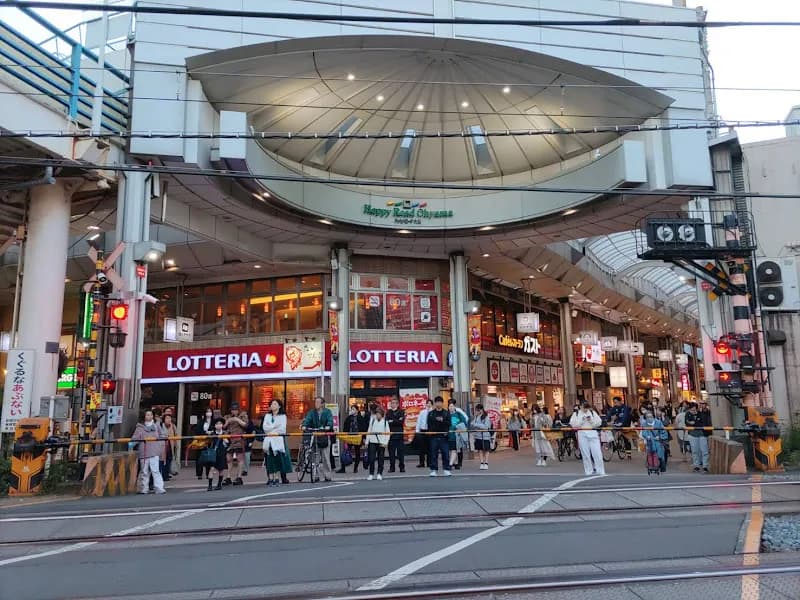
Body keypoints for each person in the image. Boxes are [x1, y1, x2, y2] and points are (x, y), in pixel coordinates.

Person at [132, 410, 166, 494]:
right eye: (147, 415)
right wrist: (131, 445)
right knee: (144, 471)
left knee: (156, 471)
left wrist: (160, 446)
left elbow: (162, 436)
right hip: (144, 452)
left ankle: (159, 488)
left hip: (154, 451)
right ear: (144, 416)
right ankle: (144, 488)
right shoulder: (139, 428)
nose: (149, 416)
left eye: (150, 415)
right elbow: (135, 439)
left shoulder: (157, 426)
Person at [301, 397, 334, 482]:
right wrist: (304, 425)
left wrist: (328, 426)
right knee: (315, 457)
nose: (316, 404)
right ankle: (315, 475)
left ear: (322, 404)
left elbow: (330, 420)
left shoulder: (327, 412)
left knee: (326, 457)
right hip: (315, 435)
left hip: (324, 435)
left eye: (318, 402)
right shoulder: (312, 412)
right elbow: (307, 419)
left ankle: (327, 475)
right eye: (315, 402)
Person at [570, 403, 605, 476]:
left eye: (587, 407)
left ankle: (600, 470)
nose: (585, 409)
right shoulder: (576, 414)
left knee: (597, 453)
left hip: (593, 434)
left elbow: (599, 423)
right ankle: (589, 471)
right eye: (584, 407)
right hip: (582, 434)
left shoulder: (592, 412)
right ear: (580, 407)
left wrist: (591, 420)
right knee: (585, 454)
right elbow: (573, 424)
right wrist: (582, 420)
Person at [262, 400, 291, 485]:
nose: (272, 405)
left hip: (278, 440)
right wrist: (274, 427)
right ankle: (270, 477)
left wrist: (271, 429)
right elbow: (265, 428)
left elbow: (282, 429)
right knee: (269, 458)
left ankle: (280, 477)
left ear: (279, 406)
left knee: (279, 458)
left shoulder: (283, 416)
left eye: (275, 404)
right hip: (269, 439)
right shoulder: (267, 416)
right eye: (271, 404)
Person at [338, 404, 368, 474]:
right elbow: (345, 427)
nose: (352, 410)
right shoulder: (349, 418)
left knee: (357, 452)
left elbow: (364, 428)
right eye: (351, 409)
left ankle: (355, 468)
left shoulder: (360, 418)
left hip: (358, 437)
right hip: (349, 437)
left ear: (357, 410)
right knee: (345, 452)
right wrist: (345, 436)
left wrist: (364, 438)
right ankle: (343, 468)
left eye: (353, 409)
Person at [224, 403, 248, 486]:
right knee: (228, 458)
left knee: (239, 458)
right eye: (233, 410)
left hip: (239, 439)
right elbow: (223, 426)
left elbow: (246, 425)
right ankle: (228, 477)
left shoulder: (243, 416)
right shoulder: (227, 417)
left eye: (236, 409)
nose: (234, 411)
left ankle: (239, 477)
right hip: (229, 439)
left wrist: (237, 419)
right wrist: (228, 421)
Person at [427, 396, 451, 477]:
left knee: (445, 453)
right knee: (433, 453)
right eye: (437, 402)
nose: (438, 404)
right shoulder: (431, 414)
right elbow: (429, 424)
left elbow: (449, 423)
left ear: (442, 403)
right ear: (435, 403)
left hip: (444, 436)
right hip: (434, 436)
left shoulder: (446, 413)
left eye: (440, 402)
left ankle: (446, 469)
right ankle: (434, 470)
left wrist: (442, 420)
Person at [365, 406, 390, 480]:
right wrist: (367, 442)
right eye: (377, 414)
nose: (377, 415)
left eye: (379, 414)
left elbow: (387, 433)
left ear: (382, 414)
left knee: (381, 459)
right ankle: (371, 474)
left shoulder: (385, 422)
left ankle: (379, 473)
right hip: (372, 441)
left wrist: (385, 443)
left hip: (381, 442)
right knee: (371, 459)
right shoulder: (372, 420)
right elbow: (369, 431)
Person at [685, 402, 710, 472]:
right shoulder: (687, 414)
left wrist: (693, 422)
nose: (693, 411)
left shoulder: (701, 414)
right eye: (691, 410)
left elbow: (702, 423)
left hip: (702, 434)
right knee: (695, 451)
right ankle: (696, 466)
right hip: (692, 434)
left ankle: (705, 466)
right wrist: (693, 422)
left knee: (704, 450)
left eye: (694, 410)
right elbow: (687, 423)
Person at [205, 417, 229, 491]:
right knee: (211, 469)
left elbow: (228, 443)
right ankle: (210, 485)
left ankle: (219, 485)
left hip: (221, 453)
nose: (219, 425)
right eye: (217, 424)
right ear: (214, 425)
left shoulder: (225, 433)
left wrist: (226, 440)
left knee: (221, 470)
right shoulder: (212, 434)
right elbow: (208, 442)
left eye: (220, 424)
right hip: (213, 453)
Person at [385, 397, 406, 473]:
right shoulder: (388, 412)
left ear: (397, 404)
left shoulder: (401, 411)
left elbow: (400, 422)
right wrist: (396, 420)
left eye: (394, 403)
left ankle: (402, 467)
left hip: (399, 435)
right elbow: (387, 422)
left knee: (401, 453)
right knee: (391, 453)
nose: (393, 404)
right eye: (392, 403)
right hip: (391, 436)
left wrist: (392, 421)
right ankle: (392, 467)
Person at [448, 400, 469, 469]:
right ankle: (455, 463)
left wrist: (458, 427)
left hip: (457, 435)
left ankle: (451, 464)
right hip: (449, 435)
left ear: (454, 407)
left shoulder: (459, 414)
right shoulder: (447, 415)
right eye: (449, 406)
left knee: (455, 449)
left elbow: (464, 422)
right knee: (452, 450)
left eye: (452, 406)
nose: (451, 408)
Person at [194, 408, 214, 480]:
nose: (209, 413)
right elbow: (197, 431)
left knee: (209, 458)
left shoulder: (214, 421)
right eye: (207, 411)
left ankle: (208, 474)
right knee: (200, 458)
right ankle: (199, 474)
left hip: (210, 442)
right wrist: (205, 432)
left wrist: (211, 432)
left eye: (210, 411)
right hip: (201, 442)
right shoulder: (201, 421)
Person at [472, 404, 492, 470]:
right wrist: (475, 425)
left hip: (485, 436)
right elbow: (472, 424)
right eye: (476, 410)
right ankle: (481, 463)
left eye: (478, 410)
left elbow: (486, 426)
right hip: (478, 436)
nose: (477, 412)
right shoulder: (476, 417)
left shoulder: (486, 417)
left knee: (486, 450)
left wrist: (476, 425)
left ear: (481, 410)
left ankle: (486, 463)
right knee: (480, 450)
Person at [415, 399, 433, 468]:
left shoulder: (433, 412)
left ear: (432, 404)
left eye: (430, 403)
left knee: (429, 447)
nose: (428, 404)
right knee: (421, 448)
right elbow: (419, 421)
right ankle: (421, 463)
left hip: (430, 431)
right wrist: (417, 430)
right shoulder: (422, 412)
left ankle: (429, 463)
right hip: (422, 431)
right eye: (427, 403)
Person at [160, 413, 178, 481]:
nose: (168, 420)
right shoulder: (161, 426)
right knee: (162, 461)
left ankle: (166, 475)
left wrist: (175, 445)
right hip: (163, 446)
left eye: (170, 418)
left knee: (168, 461)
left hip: (171, 446)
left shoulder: (172, 426)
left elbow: (175, 435)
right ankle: (163, 475)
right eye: (167, 418)